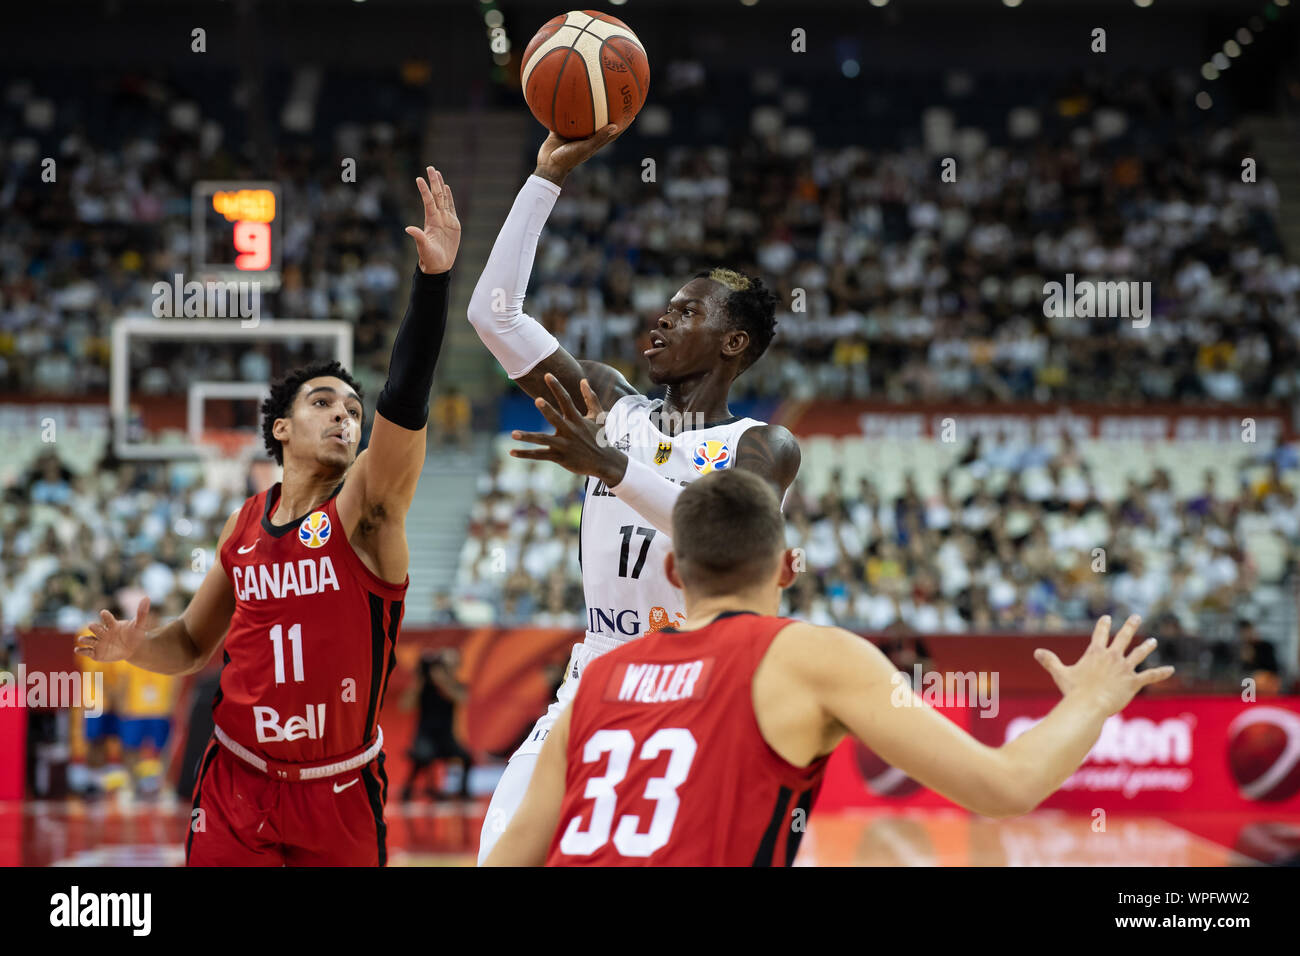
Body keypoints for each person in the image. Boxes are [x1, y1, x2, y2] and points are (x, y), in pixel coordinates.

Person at [484, 470, 1175, 866]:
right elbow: (1006, 786)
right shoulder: (811, 656)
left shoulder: (594, 681)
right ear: (788, 567)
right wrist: (1093, 697)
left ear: (673, 568)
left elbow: (510, 860)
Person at [74, 164, 461, 866]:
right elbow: (192, 645)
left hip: (338, 790)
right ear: (280, 430)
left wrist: (432, 286)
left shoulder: (367, 514)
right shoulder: (243, 524)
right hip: (236, 780)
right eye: (323, 404)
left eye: (350, 409)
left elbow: (403, 399)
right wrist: (137, 649)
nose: (344, 416)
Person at [468, 125, 802, 863]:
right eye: (666, 306)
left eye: (688, 312)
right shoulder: (610, 403)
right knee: (501, 855)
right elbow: (492, 316)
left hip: (698, 689)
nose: (662, 318)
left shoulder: (760, 444)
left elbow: (720, 532)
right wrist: (543, 180)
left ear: (733, 344)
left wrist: (613, 467)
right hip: (596, 670)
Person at [401, 648, 473, 802]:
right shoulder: (425, 688)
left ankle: (463, 791)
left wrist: (442, 682)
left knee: (466, 757)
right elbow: (404, 706)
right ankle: (408, 789)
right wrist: (419, 682)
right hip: (425, 735)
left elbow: (461, 698)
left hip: (446, 736)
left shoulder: (457, 685)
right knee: (423, 756)